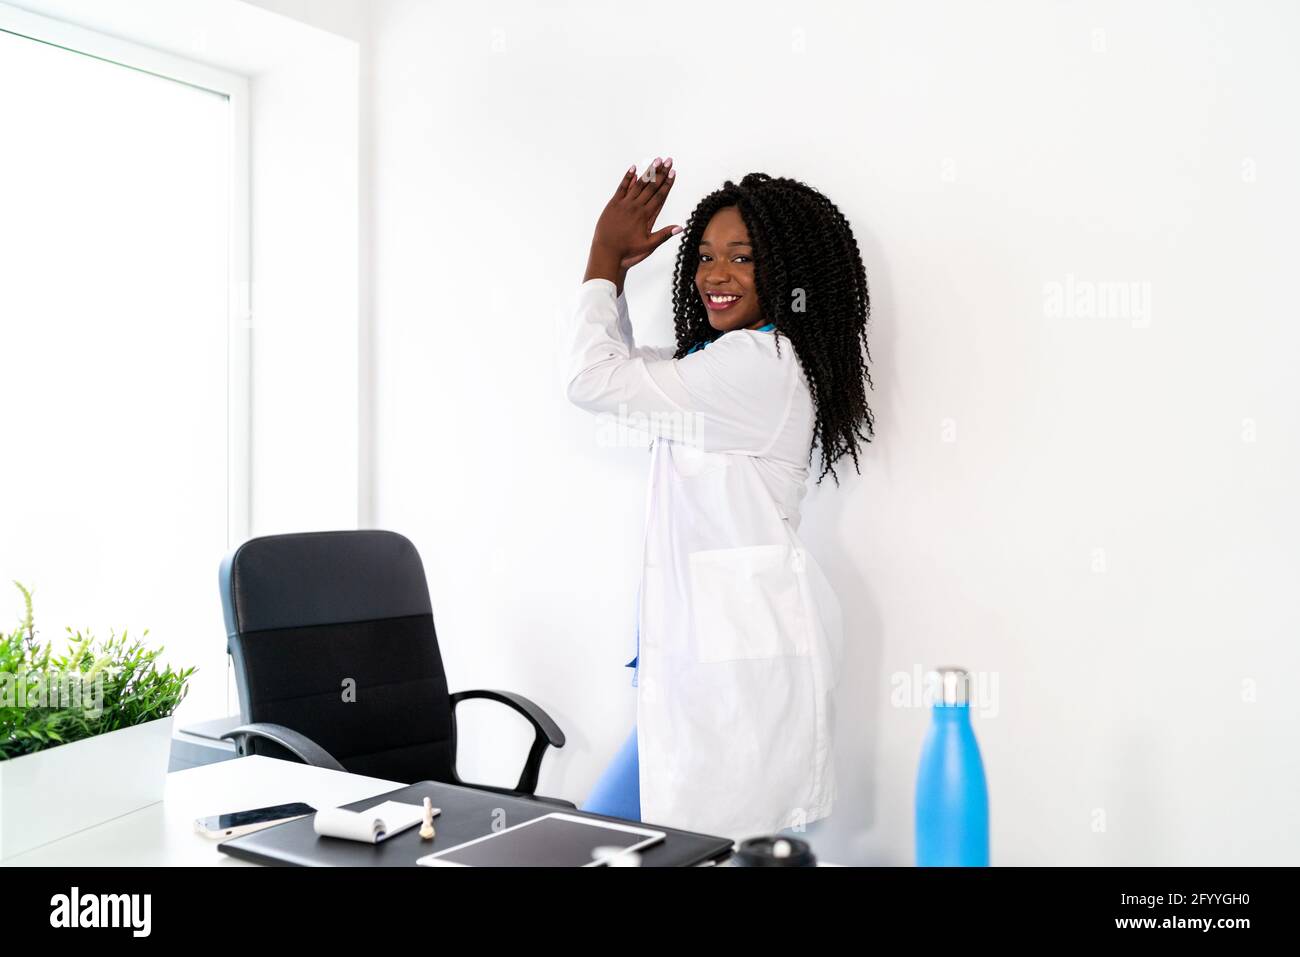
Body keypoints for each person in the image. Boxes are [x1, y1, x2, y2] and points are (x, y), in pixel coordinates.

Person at [567, 157, 874, 840]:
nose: (715, 273)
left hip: (736, 697)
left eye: (742, 256)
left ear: (788, 270)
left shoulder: (759, 366)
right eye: (705, 255)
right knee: (609, 839)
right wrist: (612, 270)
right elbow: (626, 376)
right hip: (706, 682)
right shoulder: (734, 366)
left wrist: (604, 254)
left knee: (609, 842)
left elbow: (593, 379)